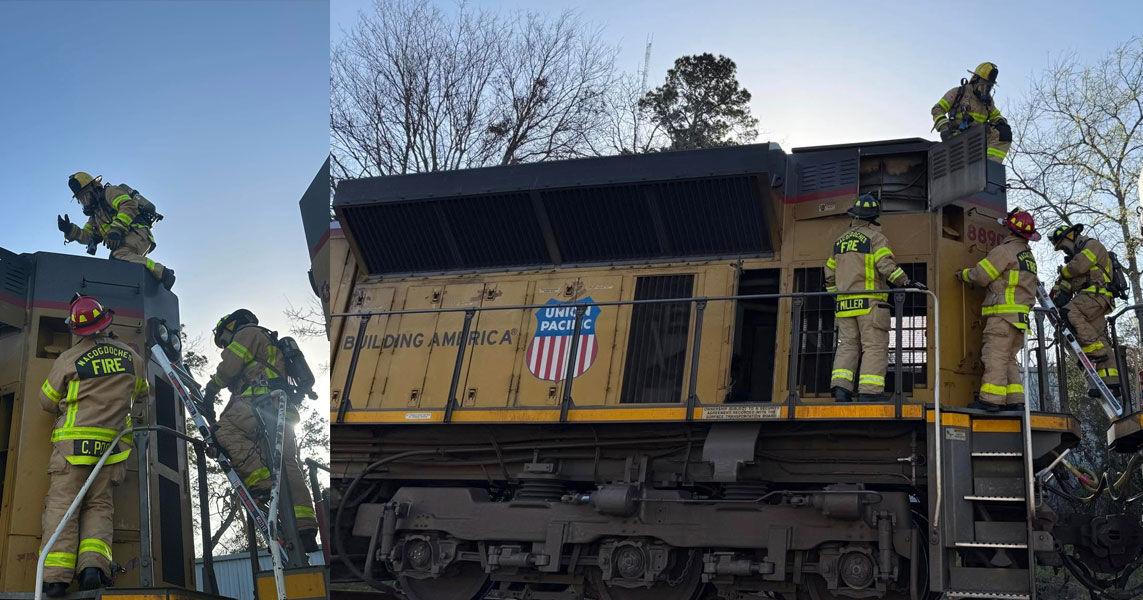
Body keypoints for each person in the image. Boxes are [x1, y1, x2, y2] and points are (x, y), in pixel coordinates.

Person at [38, 295, 147, 596]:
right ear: (105, 322)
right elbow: (142, 394)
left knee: (62, 507)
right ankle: (93, 569)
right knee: (100, 506)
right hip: (110, 451)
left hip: (73, 448)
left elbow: (46, 400)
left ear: (76, 329)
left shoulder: (69, 358)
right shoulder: (132, 359)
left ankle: (55, 579)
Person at [203, 309, 320, 552]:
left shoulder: (247, 333)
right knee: (287, 463)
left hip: (259, 405)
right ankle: (304, 527)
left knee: (222, 431)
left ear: (231, 326)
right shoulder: (268, 340)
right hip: (282, 410)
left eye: (223, 340)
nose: (225, 345)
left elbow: (229, 366)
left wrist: (211, 389)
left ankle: (262, 482)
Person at [825, 194, 926, 402]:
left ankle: (841, 390)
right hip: (870, 304)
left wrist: (837, 296)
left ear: (854, 215)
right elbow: (885, 266)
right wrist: (906, 282)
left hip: (844, 305)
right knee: (874, 346)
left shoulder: (839, 242)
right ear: (873, 217)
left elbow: (829, 274)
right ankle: (869, 393)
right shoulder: (875, 238)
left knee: (847, 345)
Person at [956, 210, 1040, 411]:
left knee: (994, 356)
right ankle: (1015, 400)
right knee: (1009, 359)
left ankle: (991, 400)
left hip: (1003, 316)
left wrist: (963, 275)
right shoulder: (1028, 257)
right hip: (1019, 319)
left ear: (1010, 230)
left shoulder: (1004, 251)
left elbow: (981, 276)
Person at [58, 171, 175, 290]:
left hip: (138, 232)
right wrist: (69, 230)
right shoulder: (95, 216)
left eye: (85, 196)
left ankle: (163, 273)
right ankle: (150, 282)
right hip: (128, 241)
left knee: (117, 257)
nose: (84, 201)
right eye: (81, 199)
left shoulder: (110, 192)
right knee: (117, 267)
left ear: (94, 187)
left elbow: (128, 205)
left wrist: (116, 229)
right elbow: (87, 236)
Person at [1048, 223, 1122, 398]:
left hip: (1096, 296)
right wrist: (1058, 292)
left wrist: (1064, 272)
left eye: (1063, 247)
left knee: (1068, 313)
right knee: (1099, 337)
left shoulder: (1092, 245)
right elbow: (1072, 281)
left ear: (1071, 236)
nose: (1064, 251)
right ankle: (1111, 383)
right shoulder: (1078, 255)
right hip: (1093, 299)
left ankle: (1095, 352)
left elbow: (1078, 267)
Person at [931, 62, 1012, 163]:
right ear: (975, 80)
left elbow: (996, 116)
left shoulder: (988, 102)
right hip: (957, 137)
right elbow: (937, 109)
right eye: (984, 85)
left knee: (1004, 132)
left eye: (989, 86)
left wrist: (1000, 121)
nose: (986, 89)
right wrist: (944, 127)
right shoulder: (959, 92)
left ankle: (990, 165)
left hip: (978, 140)